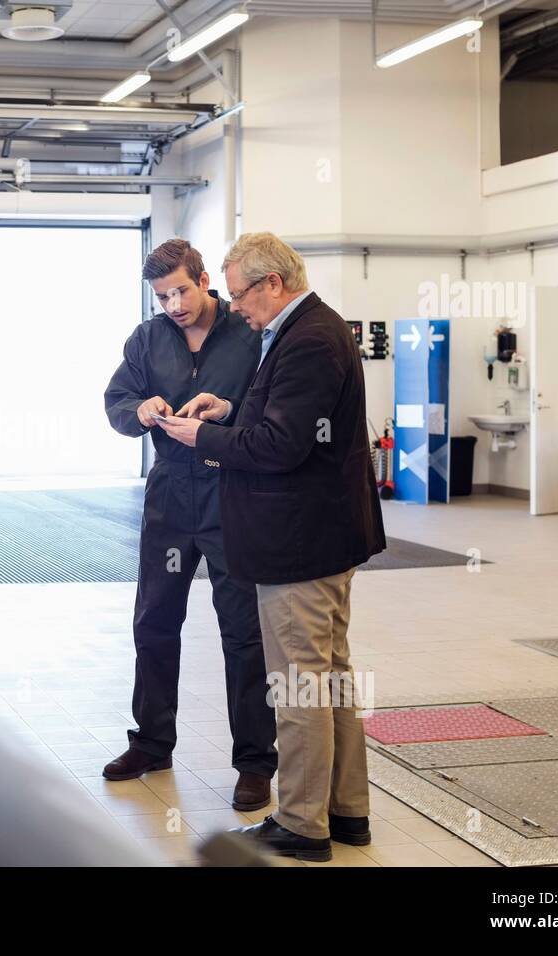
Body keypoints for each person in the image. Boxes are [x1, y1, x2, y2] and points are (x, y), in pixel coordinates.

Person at [157, 232, 386, 862]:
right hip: (320, 537)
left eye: (238, 295)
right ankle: (346, 811)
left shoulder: (308, 337)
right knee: (330, 679)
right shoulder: (308, 327)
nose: (234, 308)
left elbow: (281, 447)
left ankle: (302, 822)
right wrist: (228, 412)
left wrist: (199, 438)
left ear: (272, 284)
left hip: (299, 543)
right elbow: (280, 420)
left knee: (299, 683)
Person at [102, 238, 277, 813]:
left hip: (234, 494)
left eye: (181, 290)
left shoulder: (249, 332)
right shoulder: (147, 339)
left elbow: (270, 406)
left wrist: (228, 412)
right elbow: (117, 402)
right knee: (154, 621)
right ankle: (151, 742)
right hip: (171, 496)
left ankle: (254, 763)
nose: (173, 304)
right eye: (162, 296)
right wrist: (141, 412)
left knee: (243, 633)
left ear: (205, 280)